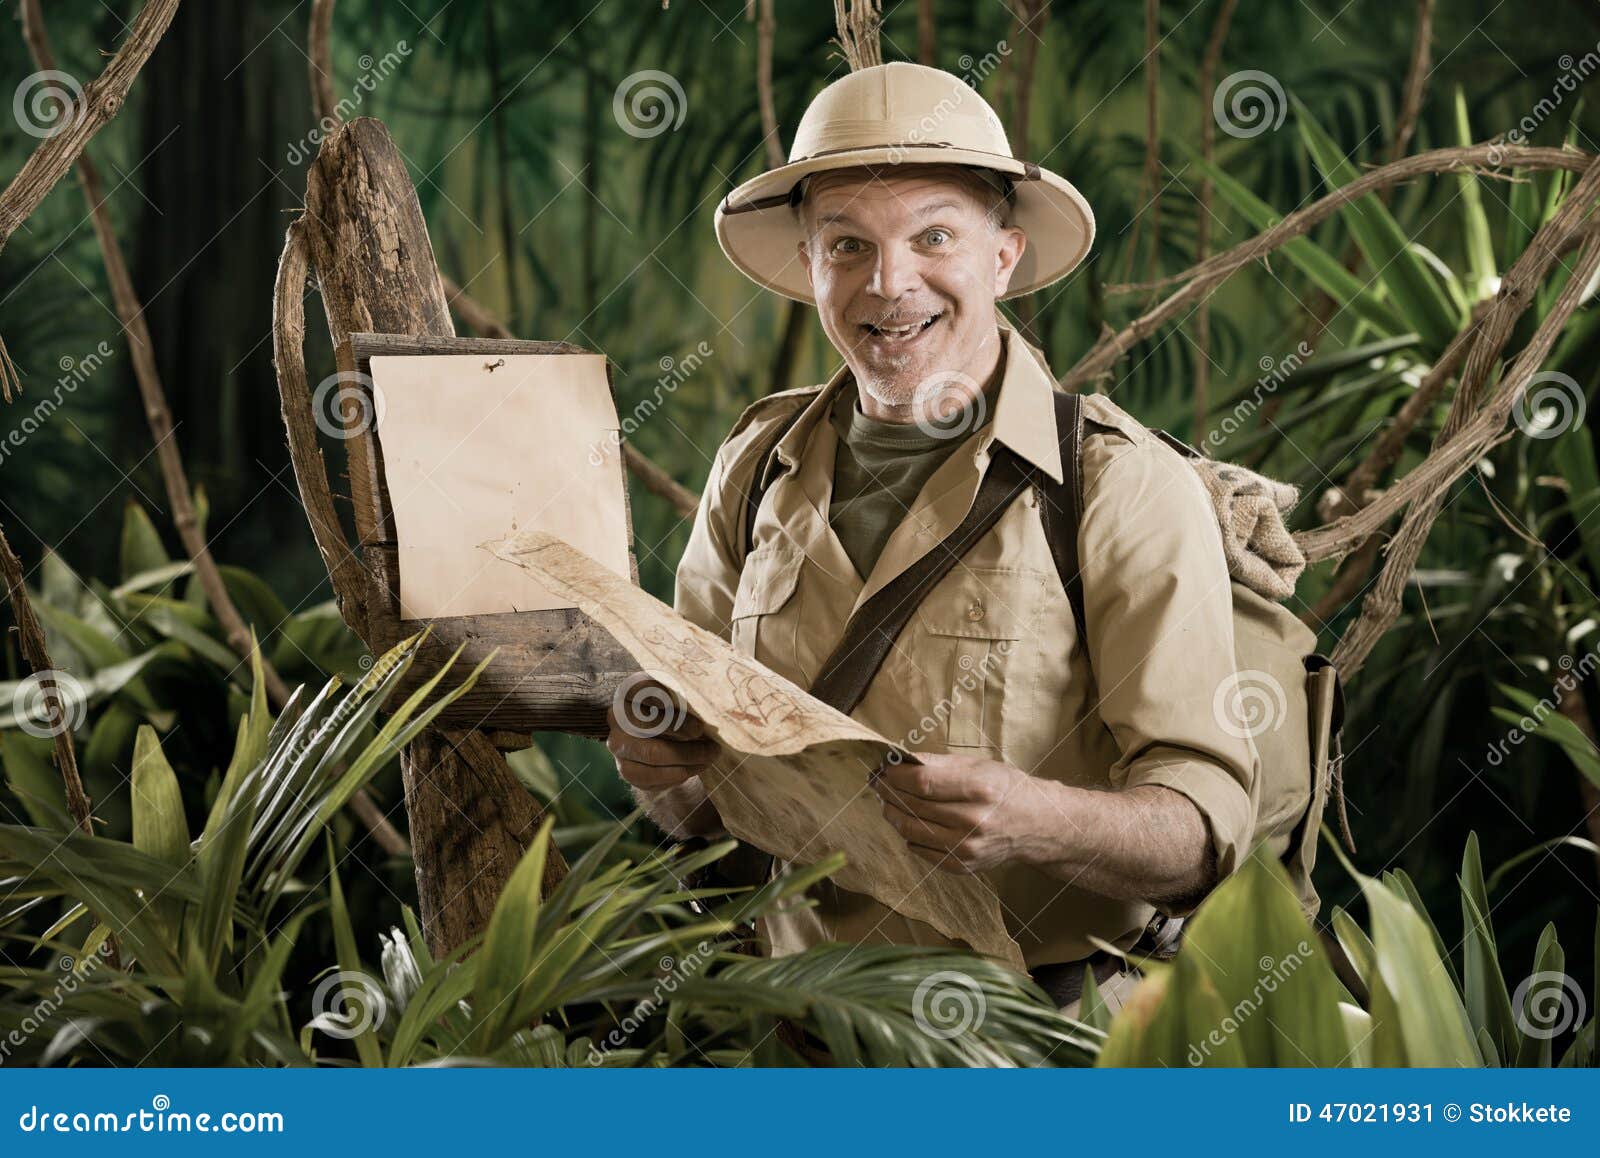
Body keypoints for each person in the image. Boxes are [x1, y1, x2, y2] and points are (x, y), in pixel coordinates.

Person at [605, 62, 1257, 1016]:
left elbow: (1206, 833)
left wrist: (1038, 821)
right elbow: (704, 811)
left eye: (934, 236)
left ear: (1002, 257)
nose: (889, 284)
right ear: (809, 265)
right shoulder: (753, 471)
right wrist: (659, 766)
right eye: (847, 245)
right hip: (799, 1036)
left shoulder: (1114, 486)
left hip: (1042, 1049)